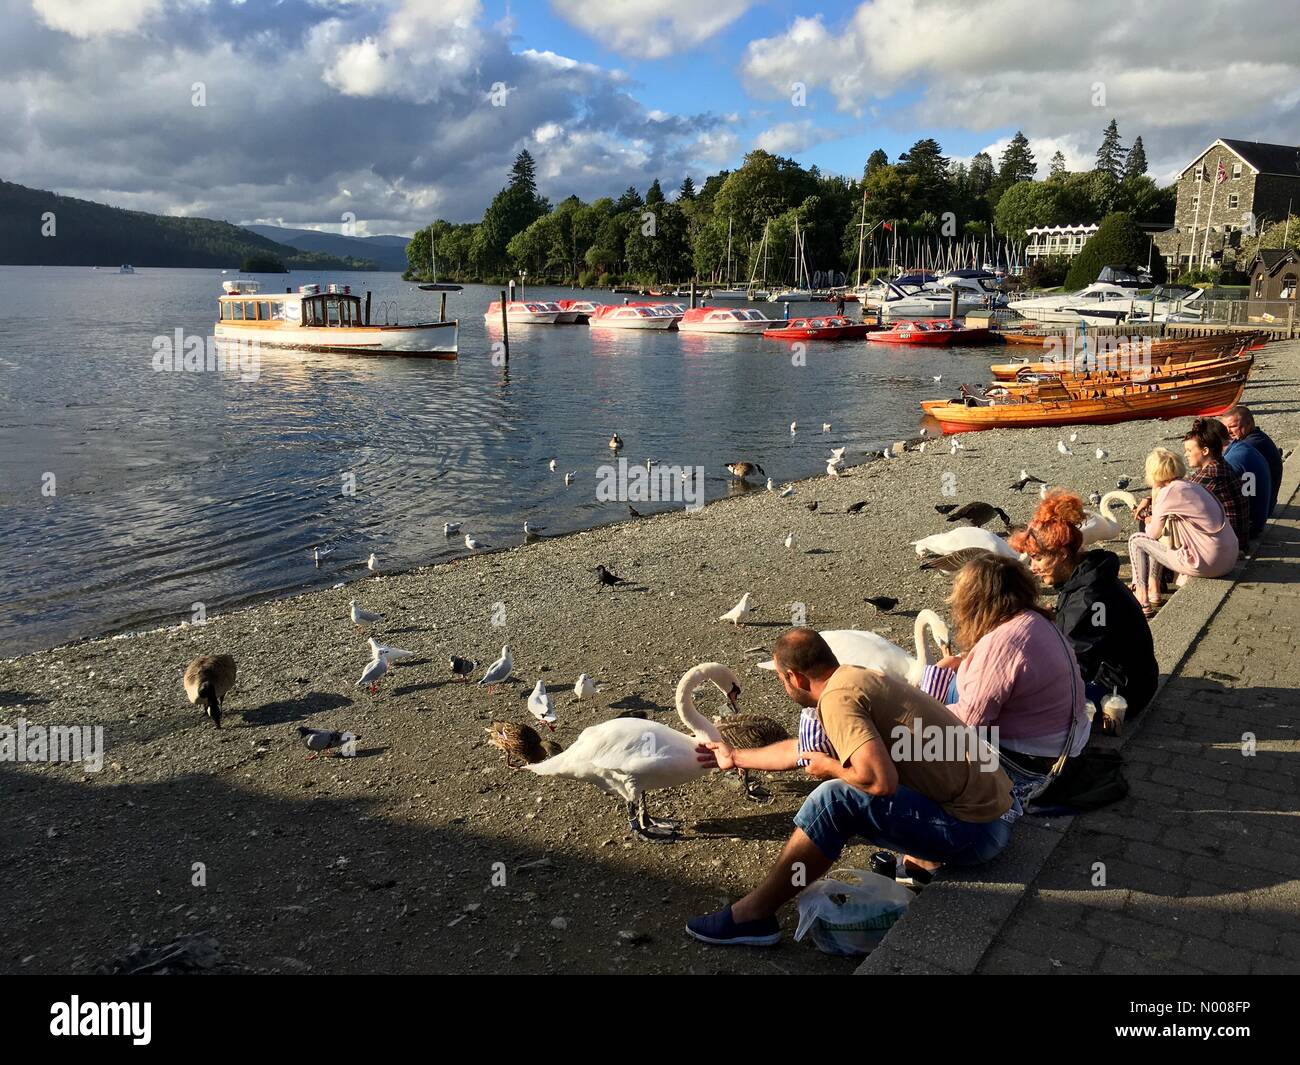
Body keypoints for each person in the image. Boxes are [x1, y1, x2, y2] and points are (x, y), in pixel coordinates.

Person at [684, 628, 1013, 947]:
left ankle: (753, 915)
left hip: (975, 834)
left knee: (835, 800)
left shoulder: (838, 700)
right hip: (991, 817)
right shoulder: (855, 679)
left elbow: (880, 783)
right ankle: (922, 860)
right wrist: (736, 756)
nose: (784, 686)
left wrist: (829, 768)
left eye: (781, 679)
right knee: (845, 785)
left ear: (795, 677)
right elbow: (804, 750)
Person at [923, 554, 1090, 789]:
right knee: (952, 685)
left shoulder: (1003, 643)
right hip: (1066, 739)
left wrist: (921, 709)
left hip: (1038, 762)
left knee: (918, 739)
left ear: (973, 602)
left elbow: (968, 723)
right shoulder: (1036, 621)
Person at [1008, 492, 1158, 715]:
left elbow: (1073, 665)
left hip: (1121, 694)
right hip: (1133, 679)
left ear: (1061, 554)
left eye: (1037, 558)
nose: (1032, 567)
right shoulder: (1087, 580)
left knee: (1017, 703)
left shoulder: (1090, 597)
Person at [1128, 447, 1239, 615]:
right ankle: (1154, 591)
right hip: (1229, 556)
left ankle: (1142, 598)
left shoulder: (1168, 493)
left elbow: (1152, 534)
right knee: (1158, 540)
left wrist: (1152, 506)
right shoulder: (1192, 486)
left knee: (1137, 540)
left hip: (1209, 562)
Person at [1183, 417, 1249, 551]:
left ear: (1205, 451)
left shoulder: (1211, 475)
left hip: (1228, 545)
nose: (1186, 455)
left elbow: (1179, 502)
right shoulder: (1221, 464)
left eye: (1189, 450)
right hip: (1237, 537)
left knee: (1155, 524)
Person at [1221, 404, 1282, 516]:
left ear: (1249, 423)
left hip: (1260, 511)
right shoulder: (1257, 437)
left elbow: (1224, 469)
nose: (1227, 432)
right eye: (1225, 428)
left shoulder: (1250, 446)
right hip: (1266, 501)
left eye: (1233, 426)